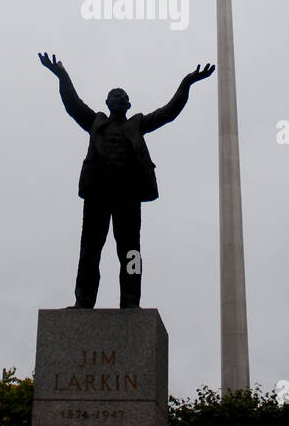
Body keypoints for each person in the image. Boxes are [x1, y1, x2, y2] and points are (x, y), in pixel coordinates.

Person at [38, 52, 214, 309]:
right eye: (115, 97)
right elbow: (72, 103)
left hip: (127, 196)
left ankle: (131, 301)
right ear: (107, 102)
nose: (119, 100)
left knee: (131, 252)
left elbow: (168, 112)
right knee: (90, 250)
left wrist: (186, 83)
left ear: (128, 105)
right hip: (98, 193)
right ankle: (84, 300)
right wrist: (61, 75)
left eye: (123, 98)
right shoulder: (95, 122)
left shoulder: (137, 124)